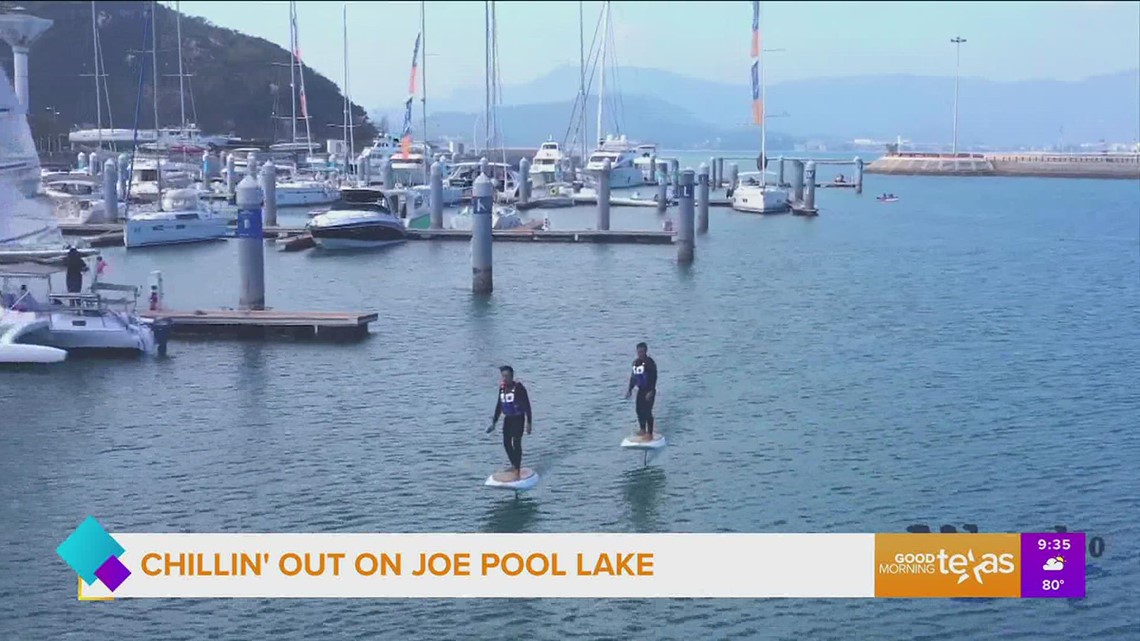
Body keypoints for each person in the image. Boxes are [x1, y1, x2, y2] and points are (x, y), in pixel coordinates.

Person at [486, 366, 533, 480]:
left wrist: (529, 423)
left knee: (516, 443)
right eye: (503, 376)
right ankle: (514, 464)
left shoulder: (519, 388)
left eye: (506, 376)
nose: (504, 378)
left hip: (518, 418)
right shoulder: (502, 388)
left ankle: (517, 468)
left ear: (512, 377)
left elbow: (527, 406)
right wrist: (494, 423)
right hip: (508, 419)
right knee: (506, 442)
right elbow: (499, 405)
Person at [624, 342, 658, 439]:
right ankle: (642, 429)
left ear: (645, 351)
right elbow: (633, 378)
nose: (640, 354)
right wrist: (629, 390)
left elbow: (654, 377)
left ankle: (649, 433)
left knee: (647, 411)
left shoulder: (650, 363)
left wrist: (651, 391)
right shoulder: (636, 363)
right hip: (641, 390)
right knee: (639, 410)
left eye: (641, 352)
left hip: (650, 390)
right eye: (638, 352)